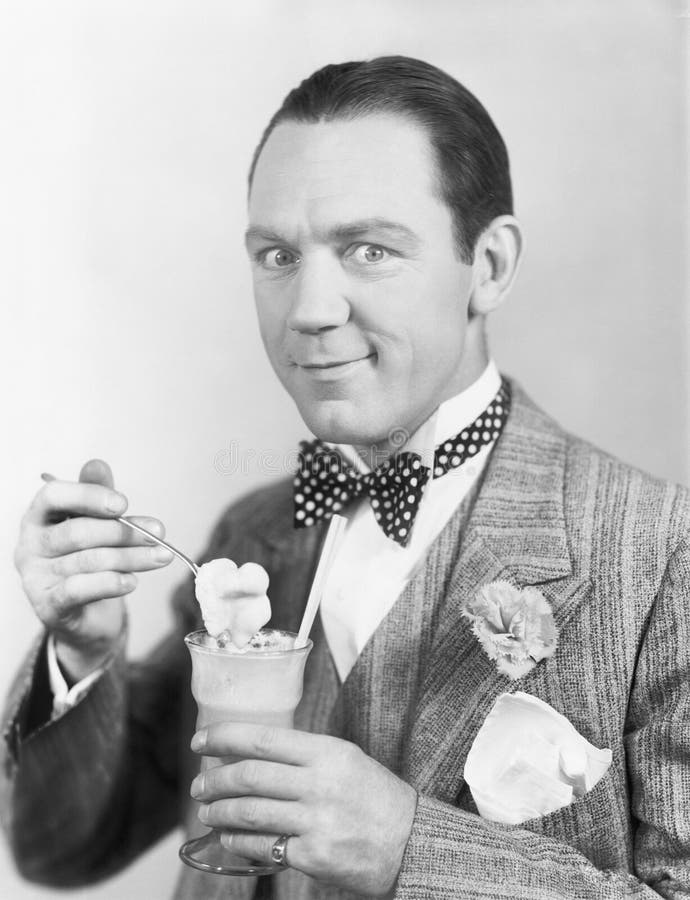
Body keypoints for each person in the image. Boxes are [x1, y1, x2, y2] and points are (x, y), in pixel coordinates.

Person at [2, 56, 689, 900]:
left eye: (369, 249)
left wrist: (411, 847)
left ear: (491, 266)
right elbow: (63, 850)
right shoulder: (252, 536)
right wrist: (82, 650)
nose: (310, 310)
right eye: (278, 254)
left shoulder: (661, 554)